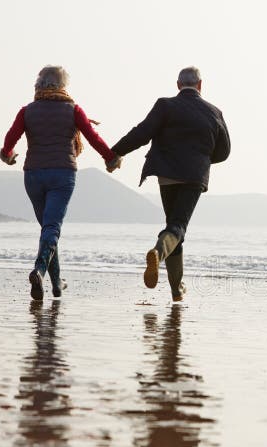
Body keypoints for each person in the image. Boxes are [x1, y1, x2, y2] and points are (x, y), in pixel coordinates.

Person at [0, 65, 121, 301]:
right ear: (62, 86)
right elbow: (93, 137)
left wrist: (8, 154)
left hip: (33, 175)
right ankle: (39, 270)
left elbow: (9, 140)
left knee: (48, 228)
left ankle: (56, 284)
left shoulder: (27, 111)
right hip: (62, 174)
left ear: (39, 84)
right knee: (52, 228)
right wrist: (111, 158)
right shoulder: (73, 110)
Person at [110, 67, 230, 301]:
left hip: (166, 174)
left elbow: (141, 133)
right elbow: (224, 151)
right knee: (177, 227)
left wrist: (114, 152)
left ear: (178, 85)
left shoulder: (165, 105)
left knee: (174, 228)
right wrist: (203, 158)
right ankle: (158, 252)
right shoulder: (214, 112)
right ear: (200, 85)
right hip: (194, 175)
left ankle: (176, 288)